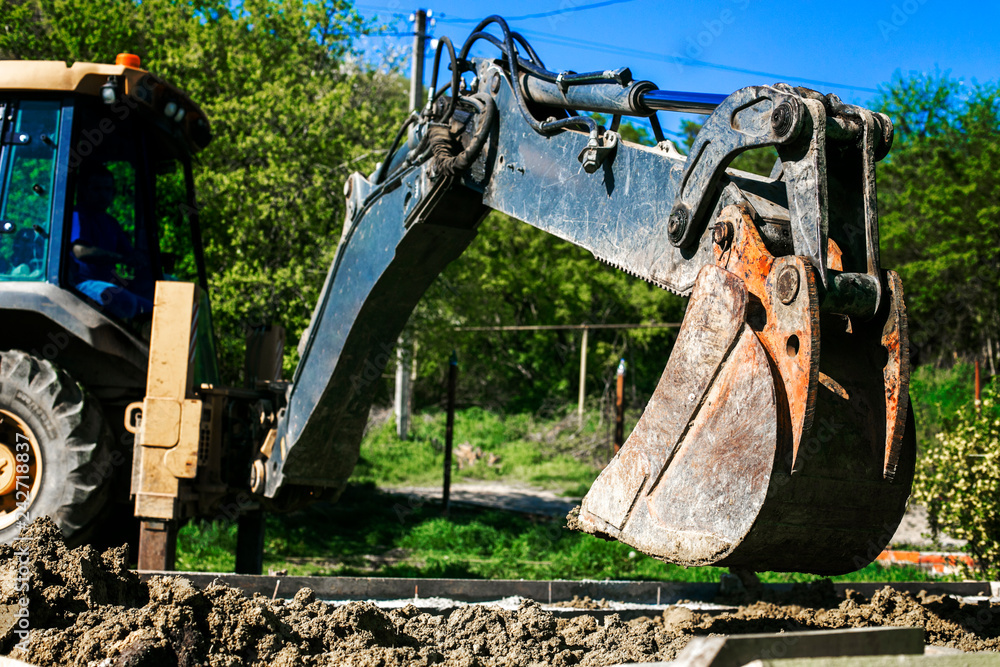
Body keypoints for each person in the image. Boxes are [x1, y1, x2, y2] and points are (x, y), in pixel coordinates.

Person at [70, 165, 153, 319]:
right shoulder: (78, 216)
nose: (103, 195)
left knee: (151, 309)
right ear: (84, 191)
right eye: (97, 189)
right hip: (80, 285)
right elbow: (80, 251)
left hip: (107, 285)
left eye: (108, 190)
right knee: (123, 301)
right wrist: (122, 259)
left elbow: (128, 254)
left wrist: (143, 259)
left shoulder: (110, 222)